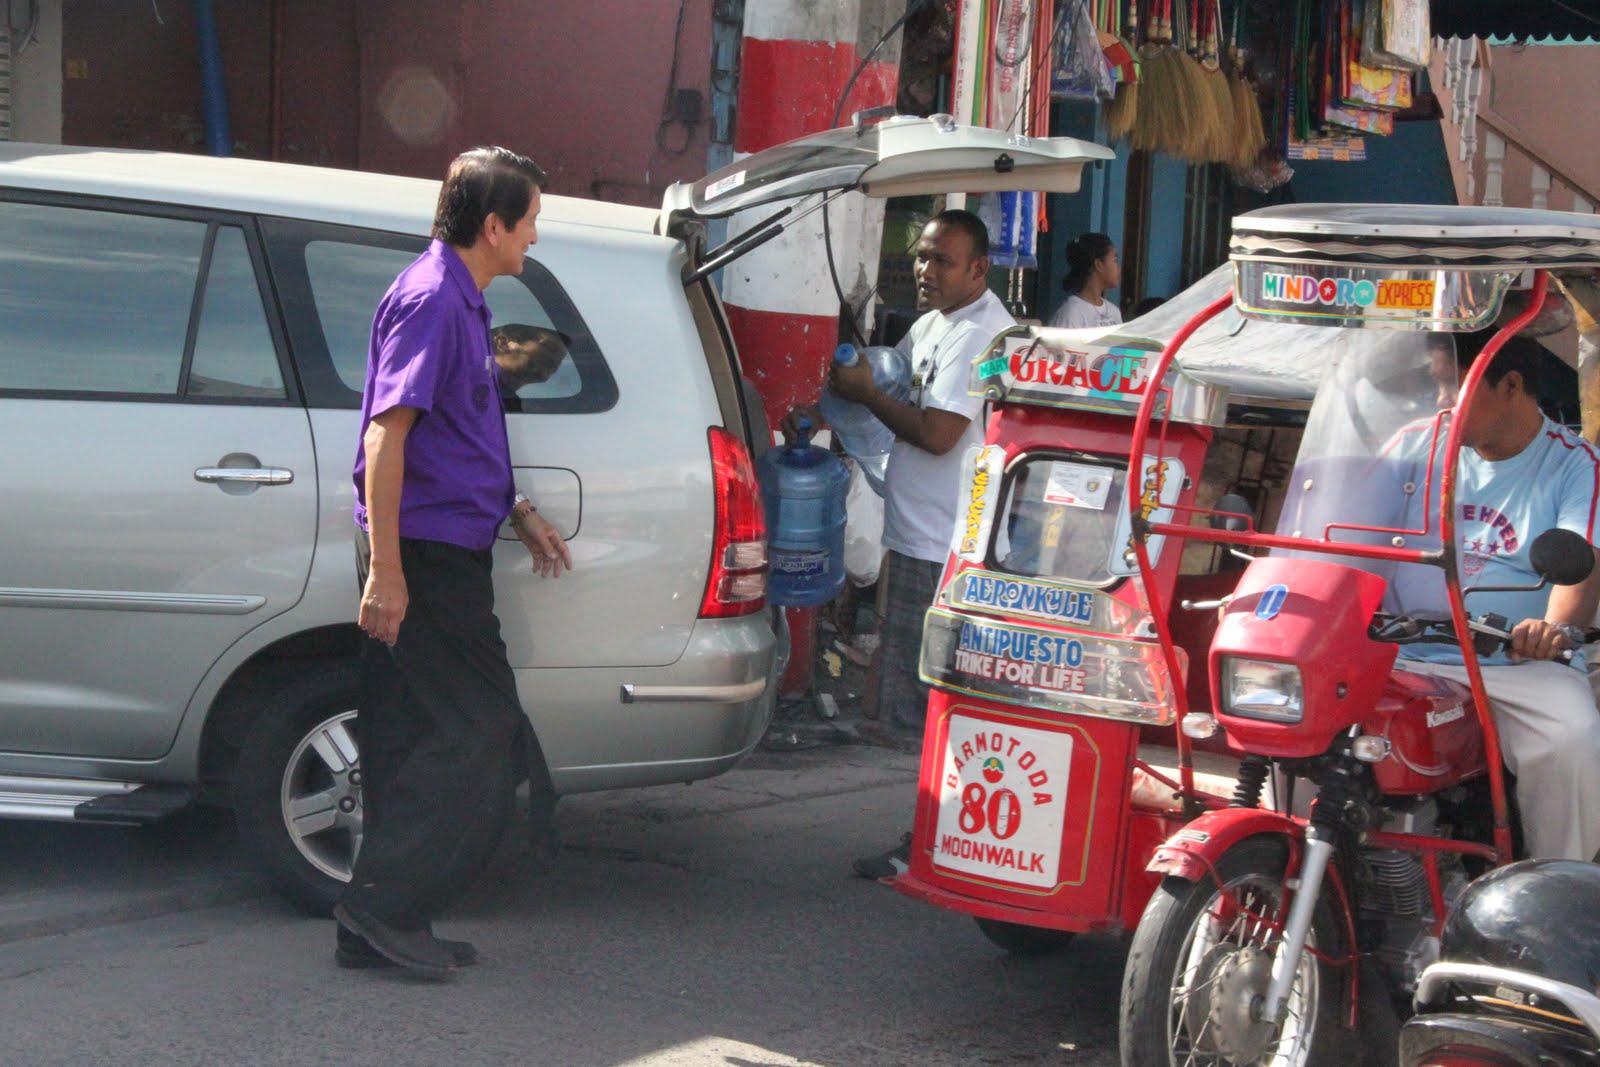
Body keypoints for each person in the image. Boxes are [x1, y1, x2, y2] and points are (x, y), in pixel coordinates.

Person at [342, 145, 573, 979]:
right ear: (494, 225)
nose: (535, 238)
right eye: (531, 221)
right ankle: (380, 907)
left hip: (447, 548)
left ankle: (376, 919)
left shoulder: (462, 297)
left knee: (410, 737)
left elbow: (460, 429)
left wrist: (516, 507)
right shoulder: (435, 299)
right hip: (426, 559)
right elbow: (385, 435)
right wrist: (389, 571)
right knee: (479, 731)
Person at [785, 209, 1015, 878]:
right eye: (920, 256)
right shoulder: (931, 325)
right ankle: (936, 840)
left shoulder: (983, 333)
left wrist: (864, 396)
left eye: (942, 260)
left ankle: (935, 845)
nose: (925, 269)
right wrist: (830, 408)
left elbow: (939, 432)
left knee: (938, 707)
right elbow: (886, 395)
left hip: (947, 544)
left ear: (978, 268)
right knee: (926, 706)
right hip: (915, 534)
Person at [1385, 335, 1600, 861]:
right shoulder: (1411, 446)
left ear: (1511, 386)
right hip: (1398, 652)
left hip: (1512, 664)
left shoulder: (1578, 465)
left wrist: (1552, 631)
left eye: (1452, 385)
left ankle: (1557, 889)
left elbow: (1582, 565)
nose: (1441, 400)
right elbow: (1339, 532)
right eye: (1435, 383)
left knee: (1570, 737)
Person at [1048, 233, 1121, 329]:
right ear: (1099, 265)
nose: (1118, 267)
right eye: (1114, 260)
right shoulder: (1070, 314)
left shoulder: (1114, 312)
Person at [492, 322, 570, 395]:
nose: (556, 360)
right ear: (503, 343)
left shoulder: (510, 402)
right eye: (550, 348)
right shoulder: (482, 384)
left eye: (561, 357)